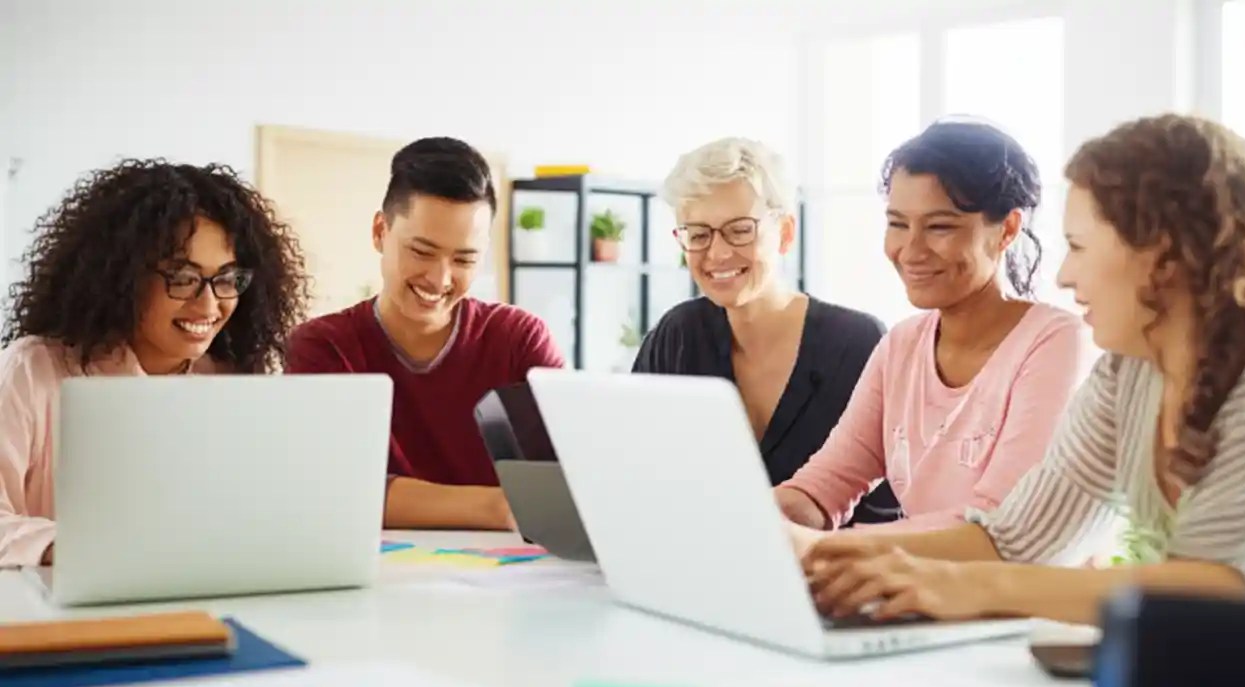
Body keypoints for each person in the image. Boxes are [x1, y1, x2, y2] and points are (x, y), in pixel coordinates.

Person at [801, 113, 1245, 625]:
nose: (1063, 275)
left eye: (1077, 247)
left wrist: (961, 583)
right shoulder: (1128, 373)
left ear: (1160, 254)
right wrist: (813, 553)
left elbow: (1228, 588)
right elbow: (1016, 537)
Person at [775, 119, 1089, 533]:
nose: (911, 250)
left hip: (1019, 595)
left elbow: (996, 522)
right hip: (924, 588)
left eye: (940, 226)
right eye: (898, 224)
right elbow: (823, 487)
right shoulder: (901, 345)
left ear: (1007, 229)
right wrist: (750, 517)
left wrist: (828, 548)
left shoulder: (1055, 342)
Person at [0, 159, 311, 566]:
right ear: (120, 277)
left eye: (228, 279)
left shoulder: (231, 381)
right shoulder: (34, 370)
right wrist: (85, 549)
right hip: (51, 616)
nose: (209, 304)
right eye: (182, 277)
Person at [286, 137, 563, 531]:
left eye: (464, 259)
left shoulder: (519, 339)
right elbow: (328, 490)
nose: (440, 278)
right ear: (380, 231)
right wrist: (498, 507)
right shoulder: (324, 346)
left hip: (507, 578)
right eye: (421, 251)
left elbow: (566, 479)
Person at [632, 137, 887, 520]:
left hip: (837, 571)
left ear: (785, 233)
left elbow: (888, 509)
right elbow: (636, 468)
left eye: (739, 230)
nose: (717, 253)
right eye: (698, 234)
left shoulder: (858, 343)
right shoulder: (679, 335)